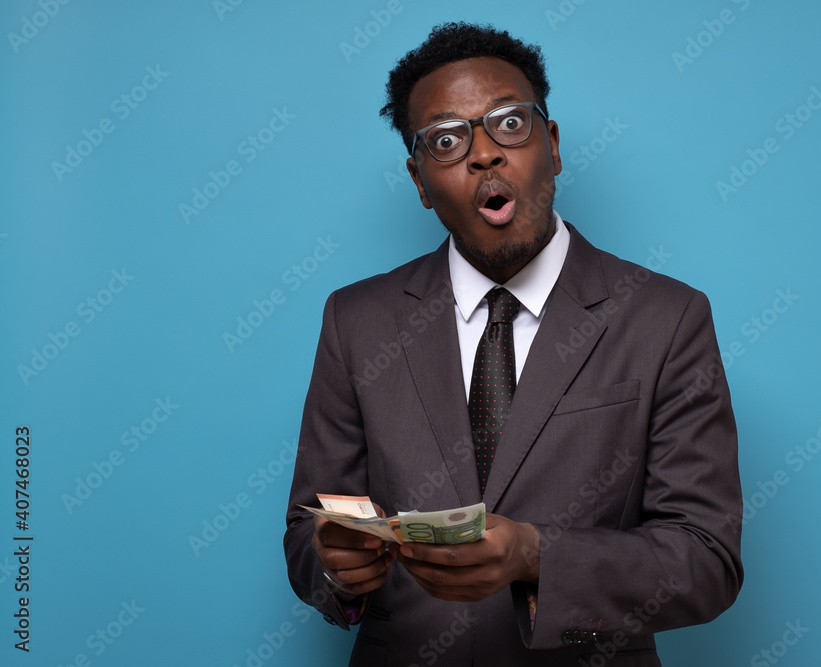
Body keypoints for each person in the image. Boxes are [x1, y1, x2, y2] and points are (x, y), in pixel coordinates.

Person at [284, 22, 742, 666]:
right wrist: (334, 567)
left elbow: (706, 558)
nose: (483, 154)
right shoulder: (356, 319)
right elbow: (307, 529)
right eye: (447, 140)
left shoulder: (667, 318)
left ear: (551, 145)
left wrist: (536, 556)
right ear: (419, 182)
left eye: (508, 124)